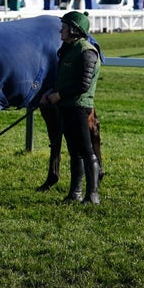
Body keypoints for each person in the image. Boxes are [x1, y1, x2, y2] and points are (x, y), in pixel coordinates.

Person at [42, 11, 102, 205]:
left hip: (80, 108)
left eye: (65, 27)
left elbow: (82, 85)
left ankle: (92, 195)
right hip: (66, 107)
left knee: (86, 150)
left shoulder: (87, 52)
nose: (61, 30)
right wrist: (50, 93)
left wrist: (57, 96)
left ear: (75, 30)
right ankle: (74, 193)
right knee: (74, 151)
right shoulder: (68, 48)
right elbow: (63, 79)